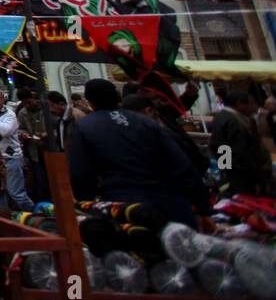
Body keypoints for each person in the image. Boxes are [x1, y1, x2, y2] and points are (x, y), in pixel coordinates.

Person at [66, 78, 210, 228]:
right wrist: (202, 208)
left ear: (90, 101)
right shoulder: (146, 122)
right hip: (170, 203)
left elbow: (80, 174)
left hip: (127, 207)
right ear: (117, 96)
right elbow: (182, 166)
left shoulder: (85, 127)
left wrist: (87, 202)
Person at [209, 91, 272, 198]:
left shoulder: (220, 117)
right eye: (251, 104)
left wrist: (226, 169)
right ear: (239, 104)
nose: (254, 107)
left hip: (231, 172)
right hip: (242, 176)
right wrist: (252, 178)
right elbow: (240, 153)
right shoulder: (233, 121)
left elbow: (219, 146)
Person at [0, 89, 33, 211]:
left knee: (16, 193)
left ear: (3, 99)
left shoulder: (9, 114)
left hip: (10, 158)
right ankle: (7, 219)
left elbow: (5, 131)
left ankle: (33, 214)